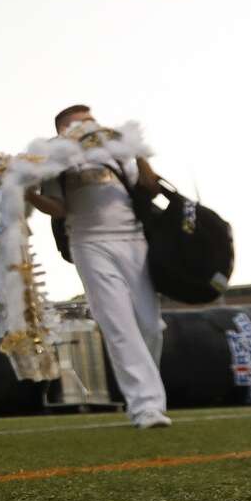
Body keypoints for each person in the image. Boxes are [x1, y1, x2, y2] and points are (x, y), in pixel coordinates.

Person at [27, 104, 171, 429]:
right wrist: (27, 193)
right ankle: (145, 406)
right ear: (64, 131)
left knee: (150, 325)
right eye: (80, 124)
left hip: (135, 241)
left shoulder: (116, 153)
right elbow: (58, 208)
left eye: (92, 121)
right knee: (118, 323)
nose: (90, 127)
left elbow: (150, 188)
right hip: (89, 243)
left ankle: (145, 393)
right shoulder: (58, 162)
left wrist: (137, 152)